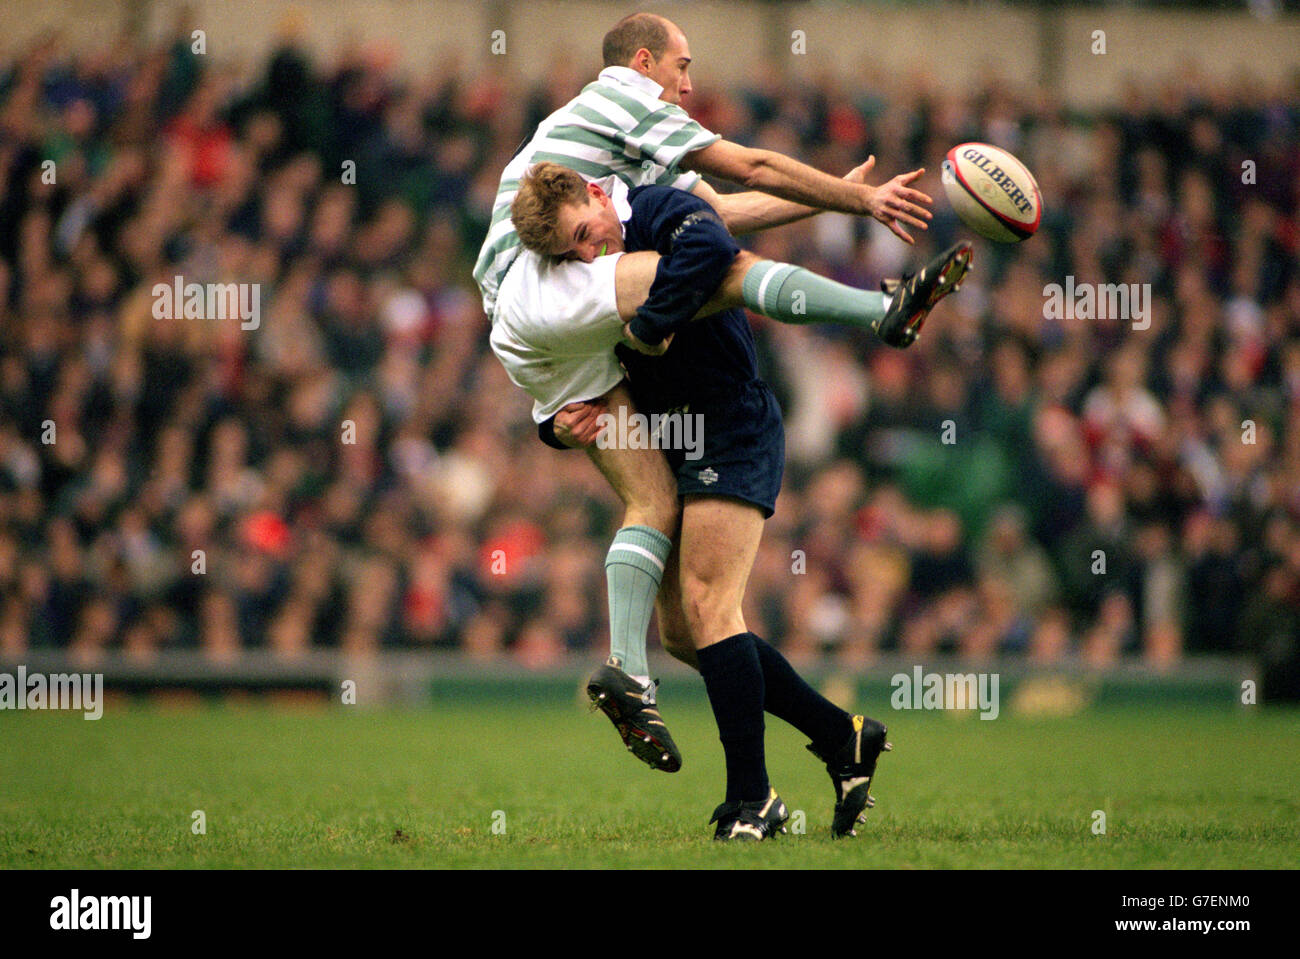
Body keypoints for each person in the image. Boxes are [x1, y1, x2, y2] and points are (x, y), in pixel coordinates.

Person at [473, 11, 968, 777]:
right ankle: (883, 310)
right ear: (643, 61)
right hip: (537, 297)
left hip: (531, 331)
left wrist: (841, 197)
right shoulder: (621, 104)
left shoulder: (632, 177)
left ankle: (831, 733)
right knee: (721, 269)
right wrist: (851, 202)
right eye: (682, 65)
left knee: (680, 601)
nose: (689, 83)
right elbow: (749, 174)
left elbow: (725, 206)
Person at [512, 163, 971, 839]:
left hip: (733, 424)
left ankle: (753, 797)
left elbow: (713, 249)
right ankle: (839, 735)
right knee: (681, 633)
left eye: (585, 232)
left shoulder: (662, 205)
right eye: (569, 251)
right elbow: (554, 377)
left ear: (599, 194)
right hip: (673, 437)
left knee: (707, 603)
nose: (587, 254)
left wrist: (650, 325)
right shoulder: (584, 278)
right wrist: (556, 427)